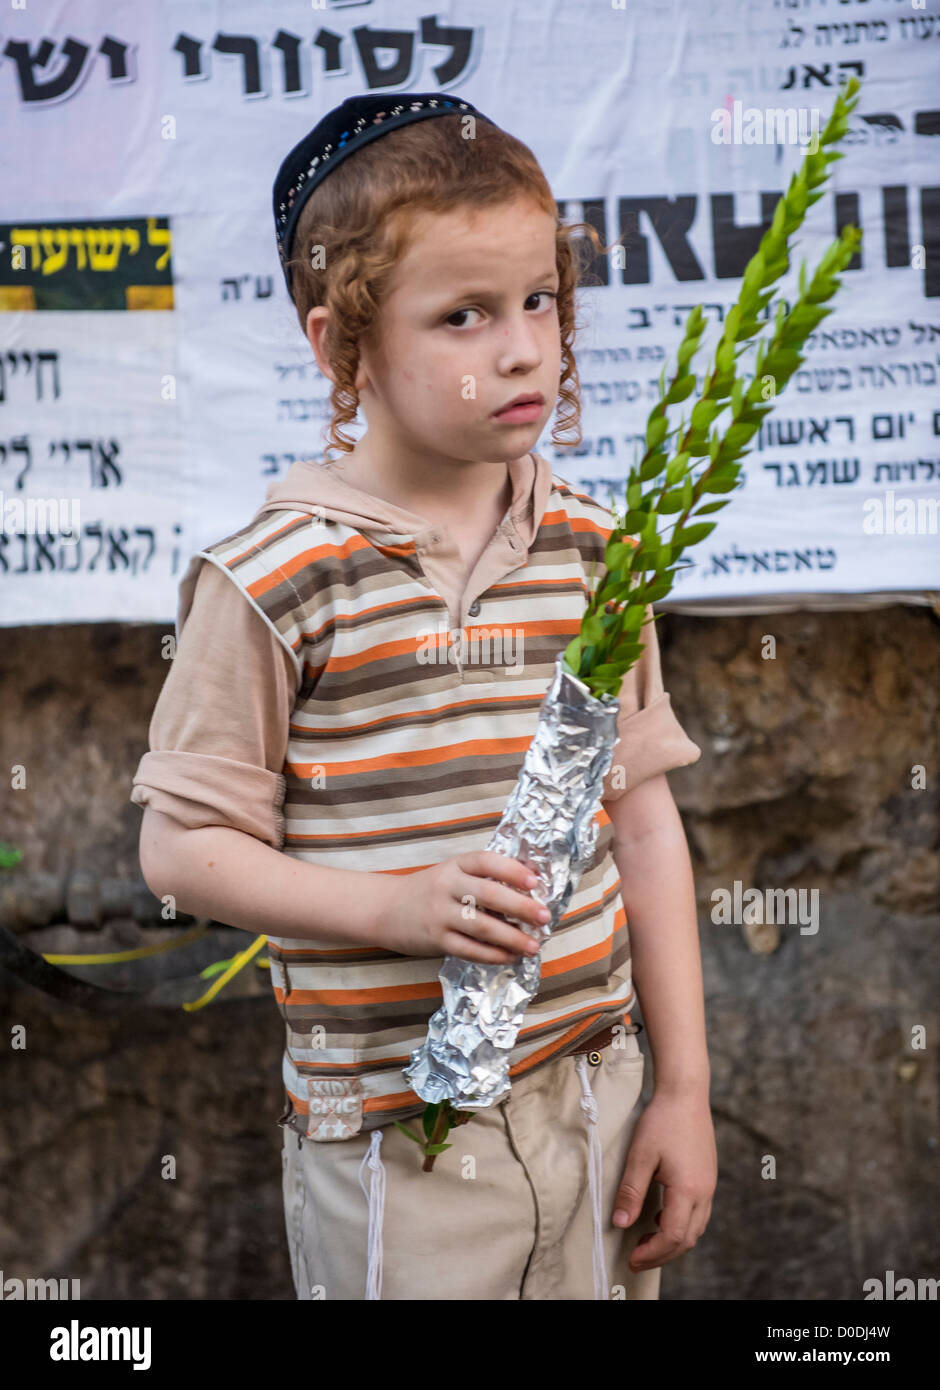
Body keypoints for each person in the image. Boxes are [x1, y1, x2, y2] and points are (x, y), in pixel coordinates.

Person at [131, 92, 717, 1301]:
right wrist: (392, 907)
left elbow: (644, 824)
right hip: (393, 1138)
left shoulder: (601, 553)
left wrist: (682, 1088)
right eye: (463, 315)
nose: (521, 350)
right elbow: (182, 850)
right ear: (340, 344)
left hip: (598, 1096)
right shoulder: (275, 581)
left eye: (539, 302)